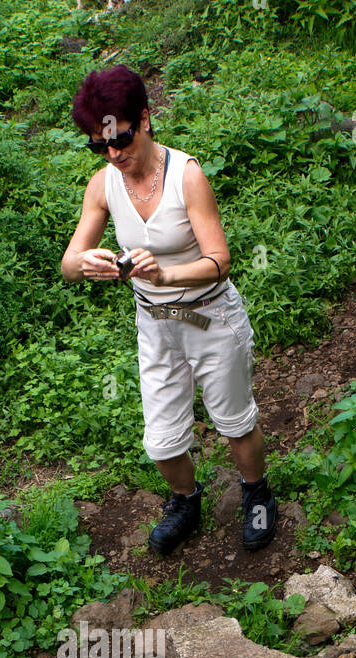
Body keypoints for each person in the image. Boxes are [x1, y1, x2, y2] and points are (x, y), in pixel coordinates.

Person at [60, 64, 276, 556]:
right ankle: (185, 499)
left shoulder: (187, 176)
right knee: (161, 441)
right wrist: (83, 263)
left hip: (210, 317)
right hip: (155, 325)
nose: (113, 154)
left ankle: (256, 493)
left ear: (145, 118)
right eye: (100, 145)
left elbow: (219, 260)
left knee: (235, 422)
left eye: (121, 139)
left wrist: (167, 275)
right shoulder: (103, 186)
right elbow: (68, 264)